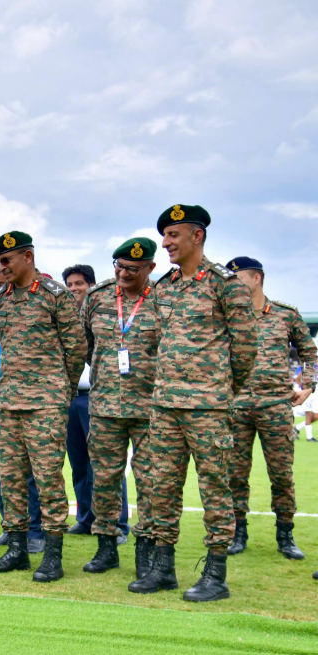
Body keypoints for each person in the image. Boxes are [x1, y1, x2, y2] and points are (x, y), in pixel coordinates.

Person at [129, 205, 257, 602]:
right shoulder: (163, 287)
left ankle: (215, 574)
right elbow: (155, 343)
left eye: (173, 235)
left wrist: (220, 390)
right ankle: (163, 568)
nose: (166, 243)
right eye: (164, 236)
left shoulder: (225, 284)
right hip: (165, 405)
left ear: (197, 236)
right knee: (160, 488)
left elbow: (247, 348)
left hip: (208, 407)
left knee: (216, 490)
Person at [0, 232, 86, 582]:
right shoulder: (1, 298)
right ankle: (16, 549)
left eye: (7, 260)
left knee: (47, 479)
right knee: (11, 479)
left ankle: (53, 554)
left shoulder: (55, 295)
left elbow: (77, 348)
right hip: (9, 401)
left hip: (46, 403)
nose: (2, 267)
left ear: (27, 256)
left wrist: (61, 390)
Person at [225, 256, 316, 559]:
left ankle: (285, 534)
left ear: (256, 279)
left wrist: (309, 386)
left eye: (238, 278)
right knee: (235, 473)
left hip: (276, 405)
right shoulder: (227, 316)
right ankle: (238, 532)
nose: (232, 285)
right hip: (236, 405)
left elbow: (309, 352)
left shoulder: (284, 315)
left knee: (281, 473)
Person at [80, 238, 160, 580]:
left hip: (151, 407)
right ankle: (106, 547)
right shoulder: (97, 297)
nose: (123, 273)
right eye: (119, 266)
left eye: (132, 269)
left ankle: (147, 552)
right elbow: (85, 344)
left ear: (150, 268)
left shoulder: (163, 297)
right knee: (105, 479)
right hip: (105, 405)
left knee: (152, 482)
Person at [63, 264, 131, 539]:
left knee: (105, 466)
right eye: (69, 284)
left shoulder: (107, 313)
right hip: (71, 398)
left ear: (90, 286)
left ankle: (119, 524)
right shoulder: (65, 316)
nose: (74, 289)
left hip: (98, 399)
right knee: (79, 465)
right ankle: (85, 518)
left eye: (79, 283)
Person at [0, 265, 45, 554]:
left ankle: (35, 530)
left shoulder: (38, 309)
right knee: (2, 467)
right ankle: (11, 527)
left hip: (30, 397)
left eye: (0, 284)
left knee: (30, 468)